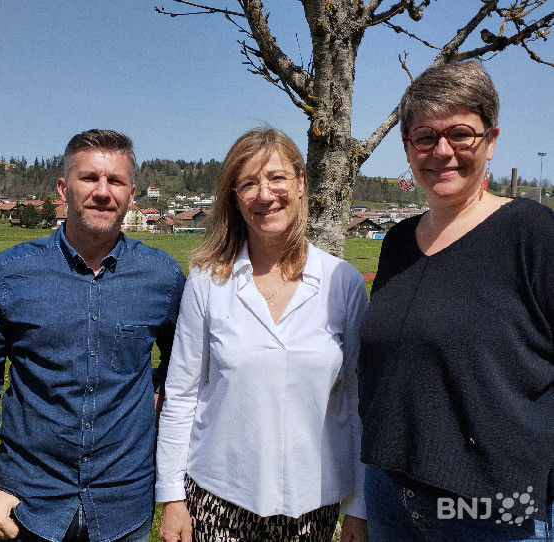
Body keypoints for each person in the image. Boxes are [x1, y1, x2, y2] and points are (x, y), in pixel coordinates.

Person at [0, 129, 186, 542]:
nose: (102, 191)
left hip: (124, 505)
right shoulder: (9, 274)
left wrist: (150, 401)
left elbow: (185, 369)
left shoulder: (162, 277)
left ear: (132, 194)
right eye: (88, 178)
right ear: (63, 188)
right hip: (27, 504)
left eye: (115, 181)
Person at [358, 61, 554, 542]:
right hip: (391, 493)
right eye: (424, 136)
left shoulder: (532, 233)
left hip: (496, 507)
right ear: (407, 147)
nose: (442, 151)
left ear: (490, 140)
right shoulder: (400, 241)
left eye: (461, 134)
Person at [155, 127, 369, 542]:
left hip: (314, 502)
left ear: (302, 183)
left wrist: (358, 508)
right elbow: (180, 396)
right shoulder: (207, 282)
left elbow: (360, 402)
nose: (264, 194)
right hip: (219, 495)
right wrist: (172, 497)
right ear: (233, 196)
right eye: (248, 183)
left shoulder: (342, 282)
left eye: (276, 177)